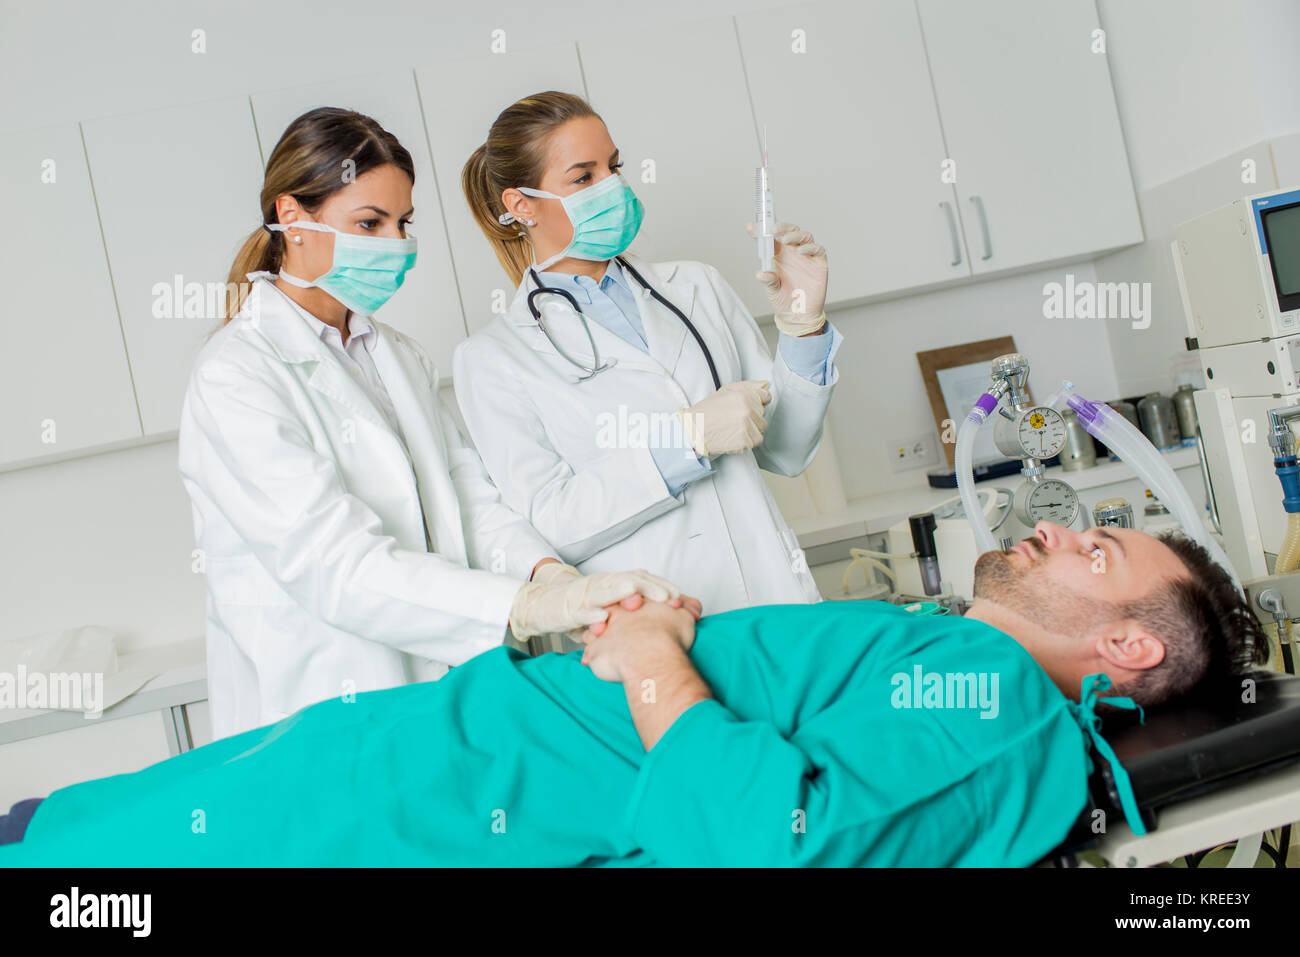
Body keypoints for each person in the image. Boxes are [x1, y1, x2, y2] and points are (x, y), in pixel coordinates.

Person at [0, 523, 1268, 866]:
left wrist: (656, 656)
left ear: (1133, 655)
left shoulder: (997, 700)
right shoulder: (939, 643)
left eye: (1097, 554)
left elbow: (763, 843)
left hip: (420, 813)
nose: (1056, 528)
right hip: (393, 762)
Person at [178, 107, 678, 739]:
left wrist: (549, 577)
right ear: (291, 216)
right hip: (322, 707)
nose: (393, 243)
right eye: (369, 222)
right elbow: (334, 565)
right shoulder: (237, 375)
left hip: (438, 695)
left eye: (402, 222)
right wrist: (521, 607)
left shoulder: (395, 355)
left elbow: (470, 498)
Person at [454, 91, 842, 616]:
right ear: (521, 205)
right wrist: (686, 442)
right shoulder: (494, 358)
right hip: (660, 623)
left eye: (614, 167)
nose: (612, 187)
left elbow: (786, 452)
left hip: (778, 601)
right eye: (583, 177)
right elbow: (553, 524)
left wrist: (803, 326)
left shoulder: (695, 287)